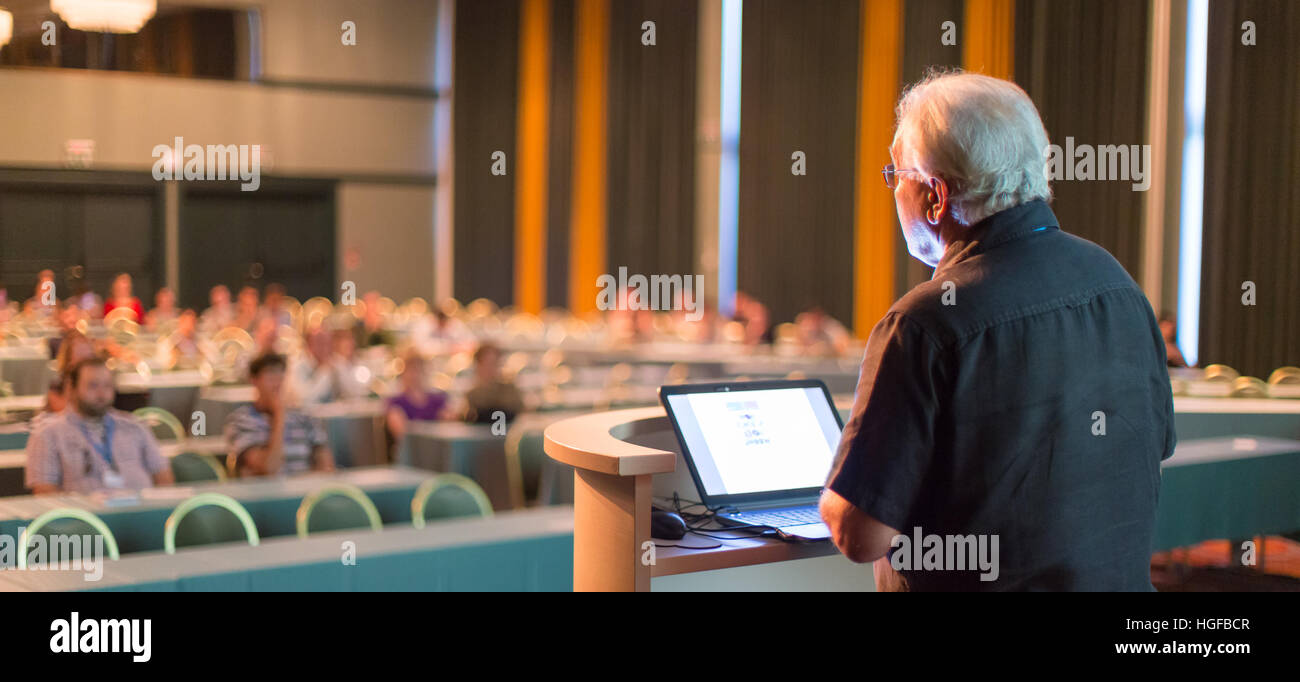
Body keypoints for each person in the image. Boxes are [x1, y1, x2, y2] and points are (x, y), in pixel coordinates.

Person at [819, 72, 1175, 591]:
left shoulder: (923, 324)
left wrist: (833, 491)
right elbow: (1152, 449)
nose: (893, 188)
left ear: (935, 197)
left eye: (895, 173)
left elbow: (859, 534)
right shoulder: (1117, 286)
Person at [24, 357, 174, 494]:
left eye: (107, 386)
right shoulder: (47, 435)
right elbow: (44, 492)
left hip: (142, 517)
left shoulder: (135, 427)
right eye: (93, 386)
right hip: (85, 521)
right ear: (72, 389)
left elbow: (163, 477)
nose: (102, 394)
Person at [224, 352, 334, 477]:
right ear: (254, 380)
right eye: (270, 375)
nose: (277, 382)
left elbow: (326, 467)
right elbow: (269, 467)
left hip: (303, 491)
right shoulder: (240, 421)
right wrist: (279, 414)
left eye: (281, 375)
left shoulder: (304, 418)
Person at [385, 350, 448, 444]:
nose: (415, 375)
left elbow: (448, 428)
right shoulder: (396, 402)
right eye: (411, 370)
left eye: (418, 369)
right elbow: (400, 433)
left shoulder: (438, 400)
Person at [464, 342, 524, 424]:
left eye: (494, 363)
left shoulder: (510, 391)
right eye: (486, 363)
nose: (490, 368)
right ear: (478, 365)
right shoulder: (471, 395)